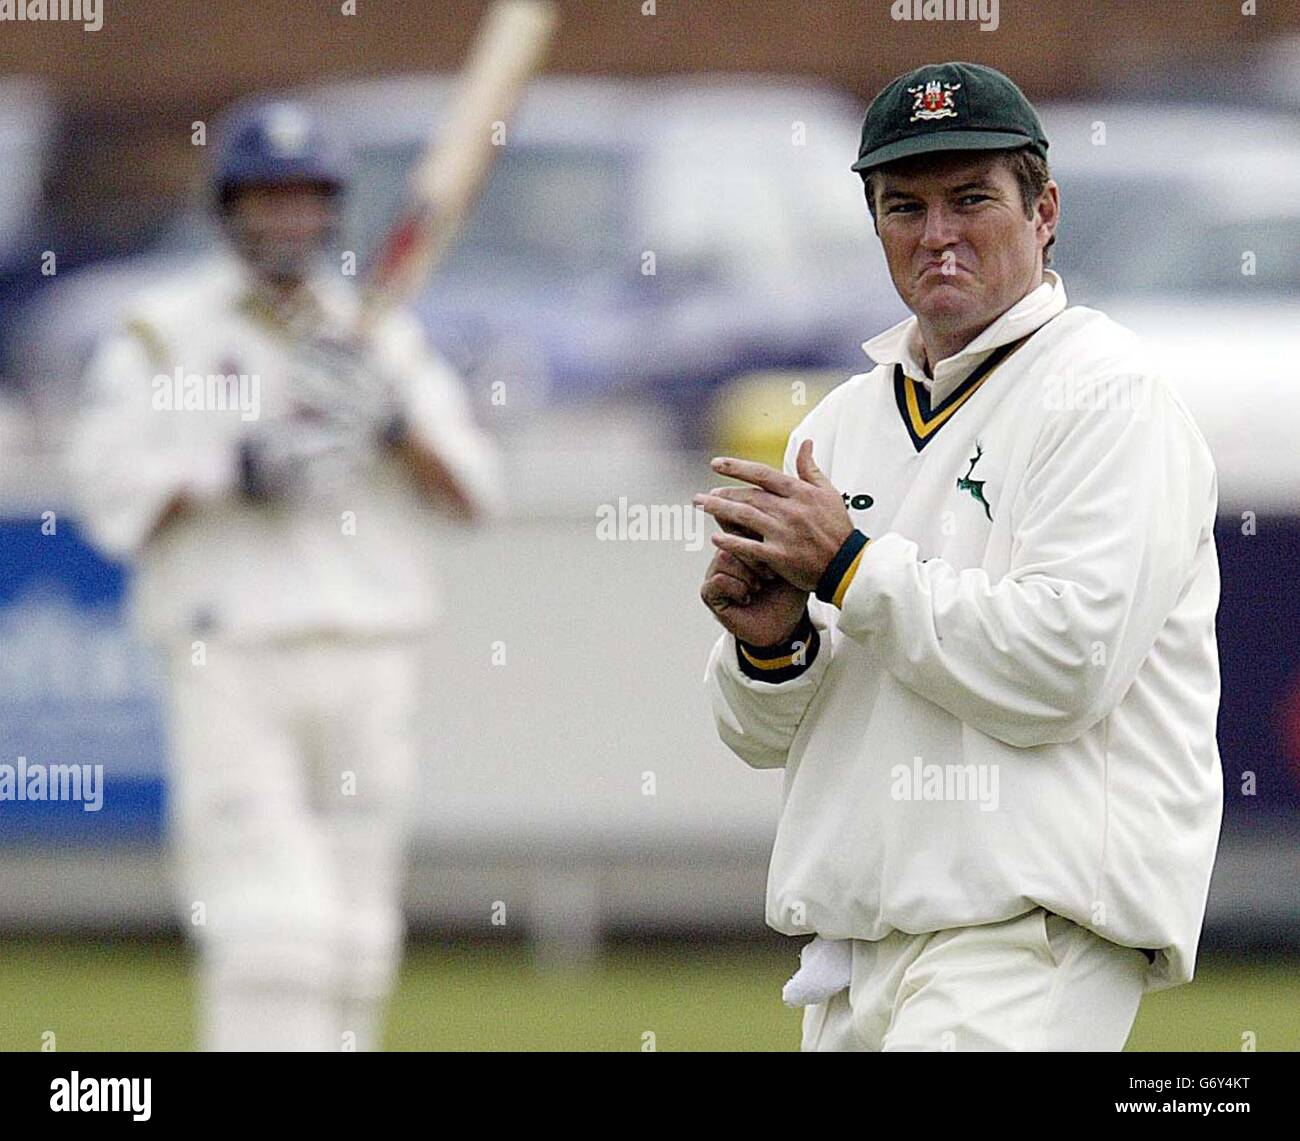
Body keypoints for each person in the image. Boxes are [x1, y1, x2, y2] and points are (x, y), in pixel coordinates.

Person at [696, 61, 1222, 1051]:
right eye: (905, 206)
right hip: (857, 944)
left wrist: (848, 568)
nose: (936, 232)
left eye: (970, 198)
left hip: (1030, 928)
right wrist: (771, 649)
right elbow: (762, 737)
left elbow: (1064, 666)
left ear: (1044, 210)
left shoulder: (1107, 398)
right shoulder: (845, 419)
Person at [69, 98, 501, 1051]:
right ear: (228, 209)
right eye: (267, 200)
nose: (287, 220)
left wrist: (393, 426)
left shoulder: (379, 337)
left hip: (370, 649)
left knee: (355, 935)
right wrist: (235, 471)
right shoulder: (159, 334)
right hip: (233, 650)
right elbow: (106, 492)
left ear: (333, 212)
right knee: (270, 928)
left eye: (306, 200)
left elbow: (475, 491)